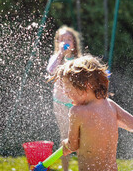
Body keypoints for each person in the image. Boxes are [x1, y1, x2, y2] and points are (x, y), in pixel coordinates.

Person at [49, 55, 133, 171]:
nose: (65, 92)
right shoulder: (110, 105)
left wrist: (65, 143)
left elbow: (72, 145)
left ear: (86, 85)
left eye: (67, 88)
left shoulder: (77, 111)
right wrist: (104, 121)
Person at [46, 25, 82, 171]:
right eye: (62, 39)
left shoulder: (79, 60)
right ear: (57, 43)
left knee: (81, 138)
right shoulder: (56, 59)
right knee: (65, 137)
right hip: (60, 103)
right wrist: (60, 54)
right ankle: (65, 169)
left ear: (74, 43)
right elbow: (50, 70)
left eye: (69, 39)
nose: (66, 41)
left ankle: (83, 168)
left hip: (77, 104)